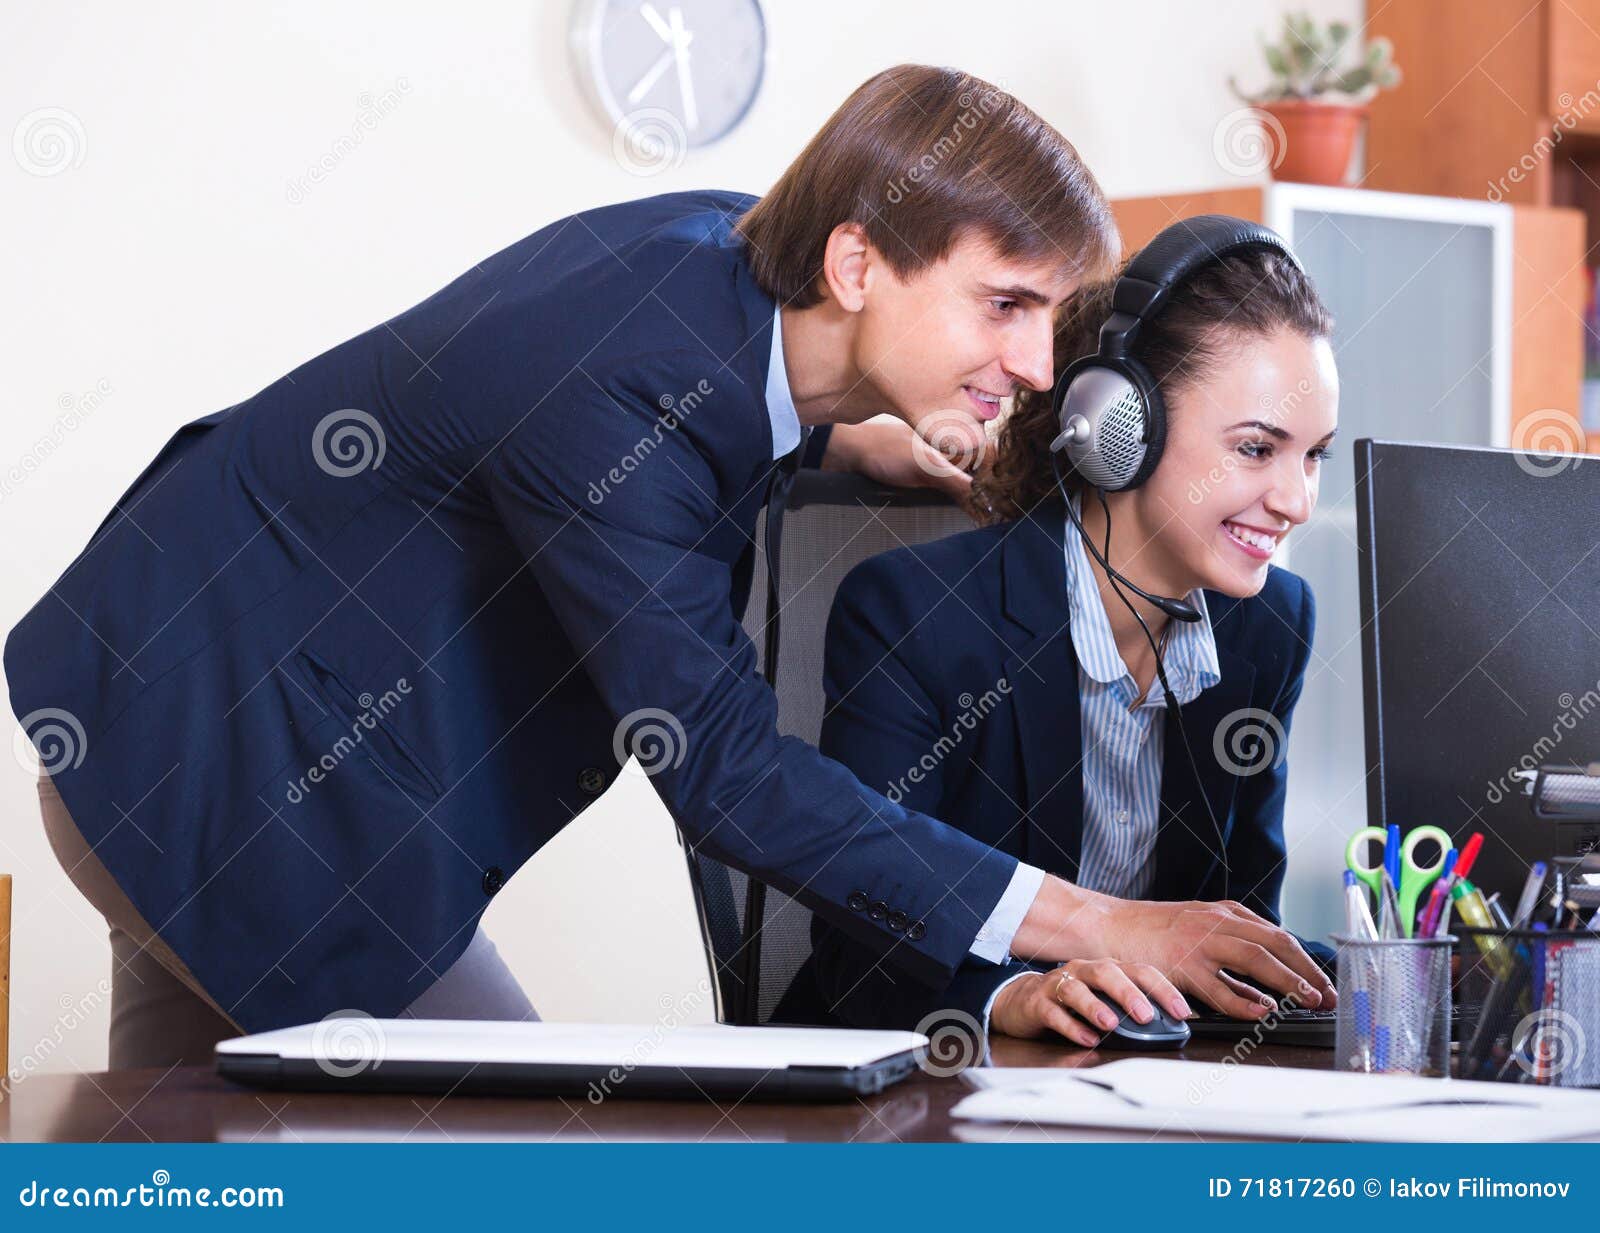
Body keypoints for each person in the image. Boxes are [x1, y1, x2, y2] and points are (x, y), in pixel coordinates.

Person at [783, 220, 1341, 1044]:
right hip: (913, 1103)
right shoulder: (915, 616)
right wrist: (1006, 997)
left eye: (1313, 456)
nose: (1295, 500)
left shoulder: (1269, 623)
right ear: (1123, 427)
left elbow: (1237, 922)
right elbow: (857, 943)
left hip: (1137, 1095)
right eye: (1257, 448)